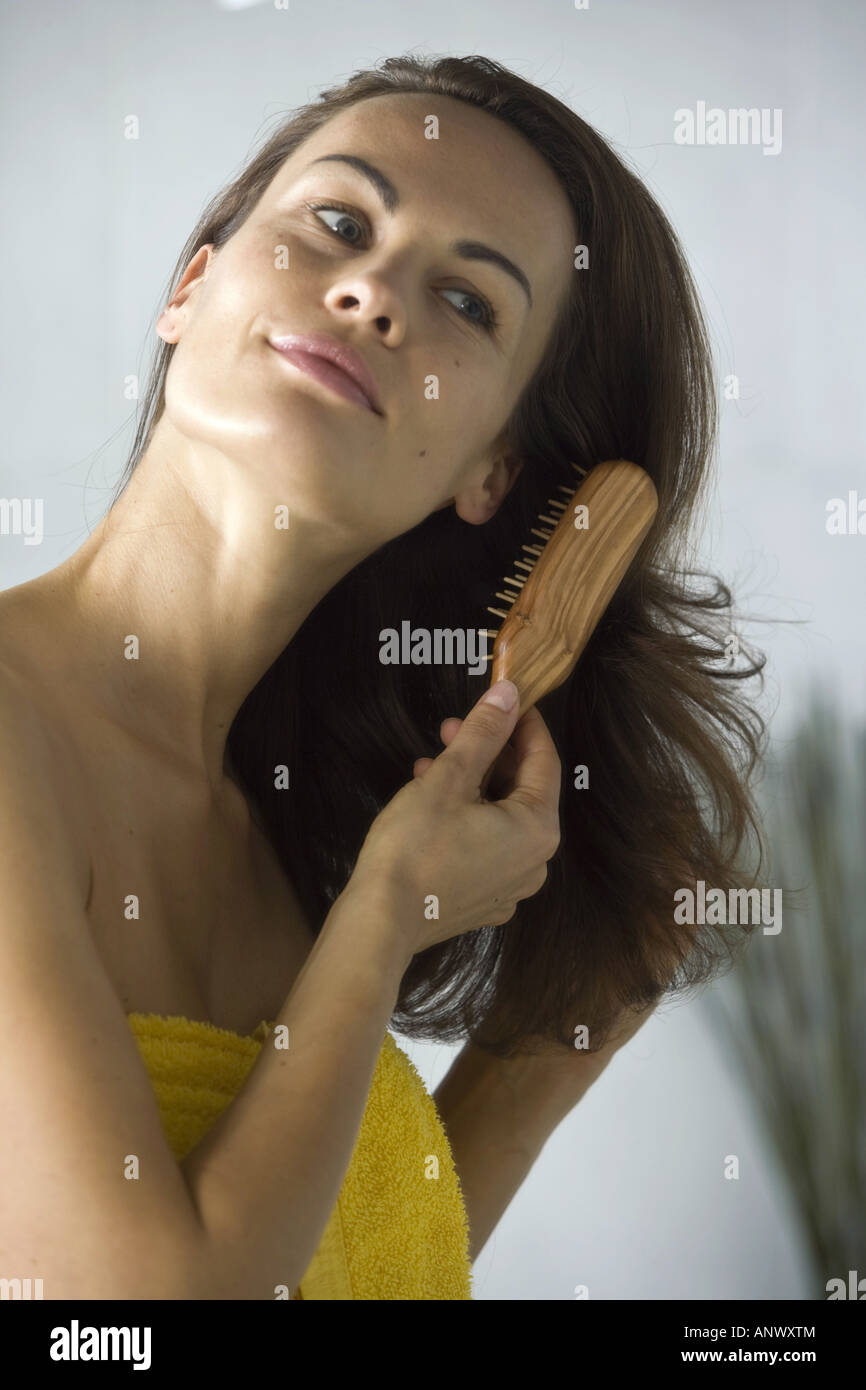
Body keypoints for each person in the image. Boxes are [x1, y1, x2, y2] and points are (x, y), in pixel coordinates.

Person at [0, 54, 765, 1300]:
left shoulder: (289, 839)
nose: (371, 291)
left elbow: (335, 1269)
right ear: (192, 286)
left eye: (468, 301)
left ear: (490, 479)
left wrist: (535, 1061)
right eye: (340, 222)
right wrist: (382, 921)